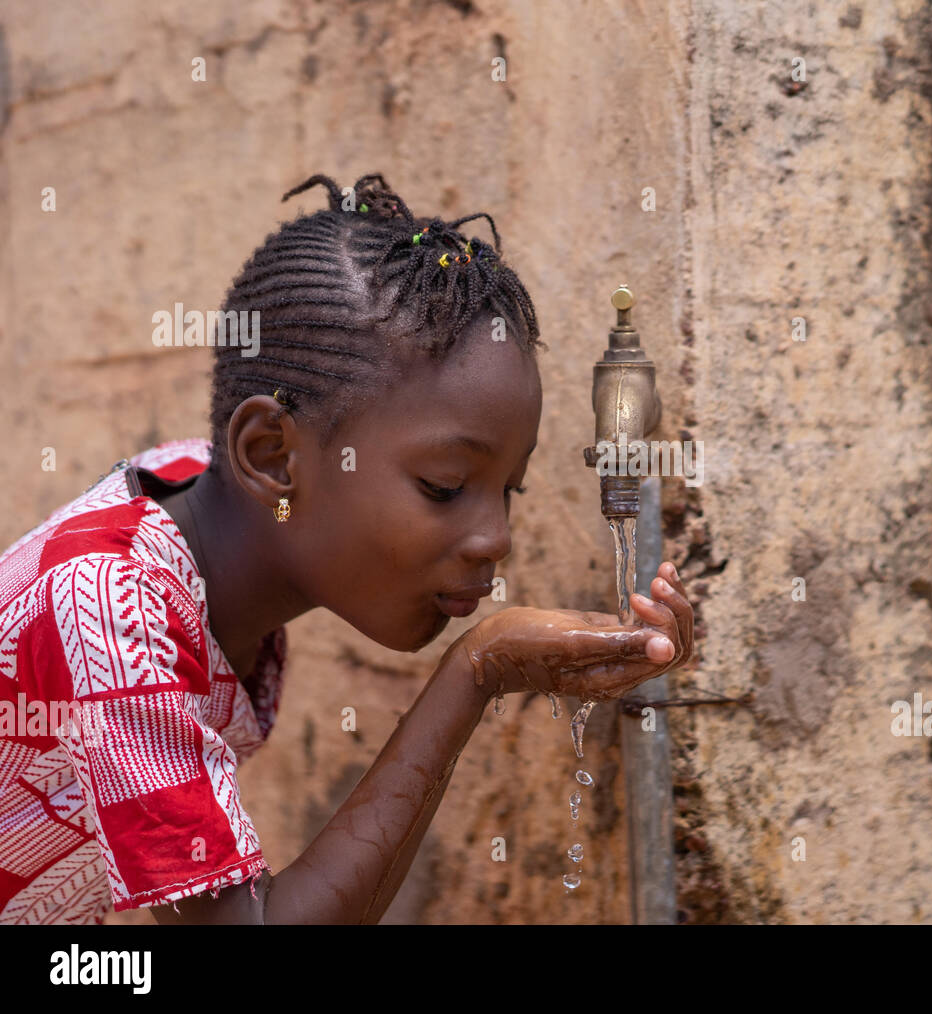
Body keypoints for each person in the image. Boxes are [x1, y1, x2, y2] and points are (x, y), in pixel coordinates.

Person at [0, 173, 694, 924]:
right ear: (271, 455)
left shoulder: (192, 496)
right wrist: (477, 670)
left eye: (510, 490)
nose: (496, 538)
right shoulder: (106, 606)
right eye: (443, 485)